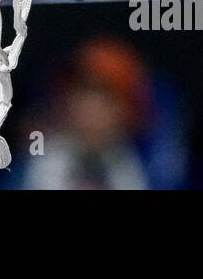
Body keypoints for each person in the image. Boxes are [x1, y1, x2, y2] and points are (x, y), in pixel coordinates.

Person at [20, 37, 153, 190]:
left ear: (124, 112)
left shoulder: (134, 166)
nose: (89, 111)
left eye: (105, 101)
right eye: (82, 93)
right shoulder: (38, 155)